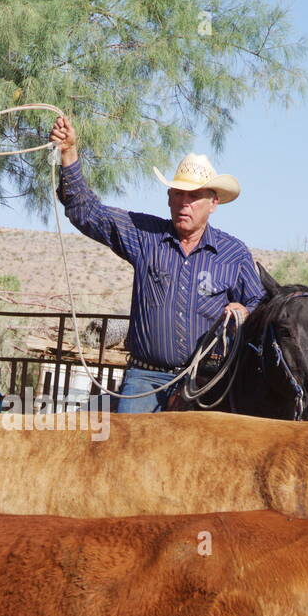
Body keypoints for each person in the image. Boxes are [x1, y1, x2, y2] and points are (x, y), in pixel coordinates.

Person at [49, 115, 265, 413]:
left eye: (194, 196)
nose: (184, 202)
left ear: (213, 202)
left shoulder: (233, 253)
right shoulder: (144, 236)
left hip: (204, 380)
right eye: (178, 194)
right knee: (128, 455)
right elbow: (86, 212)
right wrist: (69, 153)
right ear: (168, 197)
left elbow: (260, 302)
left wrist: (246, 310)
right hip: (144, 378)